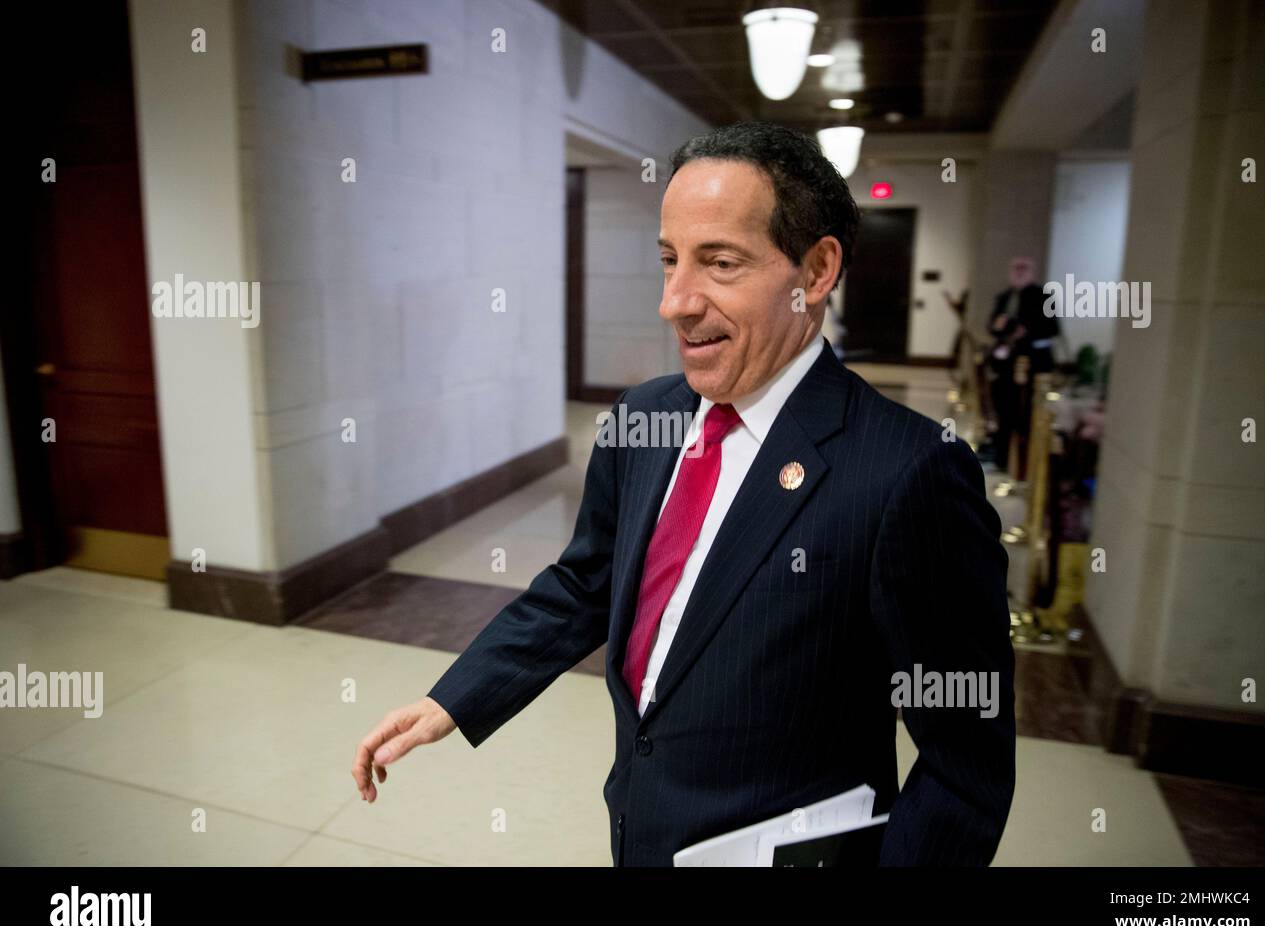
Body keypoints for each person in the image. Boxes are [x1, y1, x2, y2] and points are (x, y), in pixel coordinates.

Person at [352, 121, 1016, 866]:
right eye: (669, 260)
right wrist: (457, 697)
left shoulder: (910, 474)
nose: (675, 301)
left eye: (720, 263)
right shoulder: (646, 418)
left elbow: (965, 765)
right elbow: (587, 582)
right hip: (642, 828)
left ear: (818, 269)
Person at [986, 257, 1057, 473]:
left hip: (1031, 365)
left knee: (1026, 415)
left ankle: (1026, 465)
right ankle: (1001, 457)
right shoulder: (1005, 297)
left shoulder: (1043, 296)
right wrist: (1004, 328)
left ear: (1032, 272)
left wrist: (1024, 331)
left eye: (1024, 269)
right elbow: (993, 326)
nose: (1019, 272)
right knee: (1003, 410)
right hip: (1005, 365)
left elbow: (1050, 328)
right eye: (1016, 268)